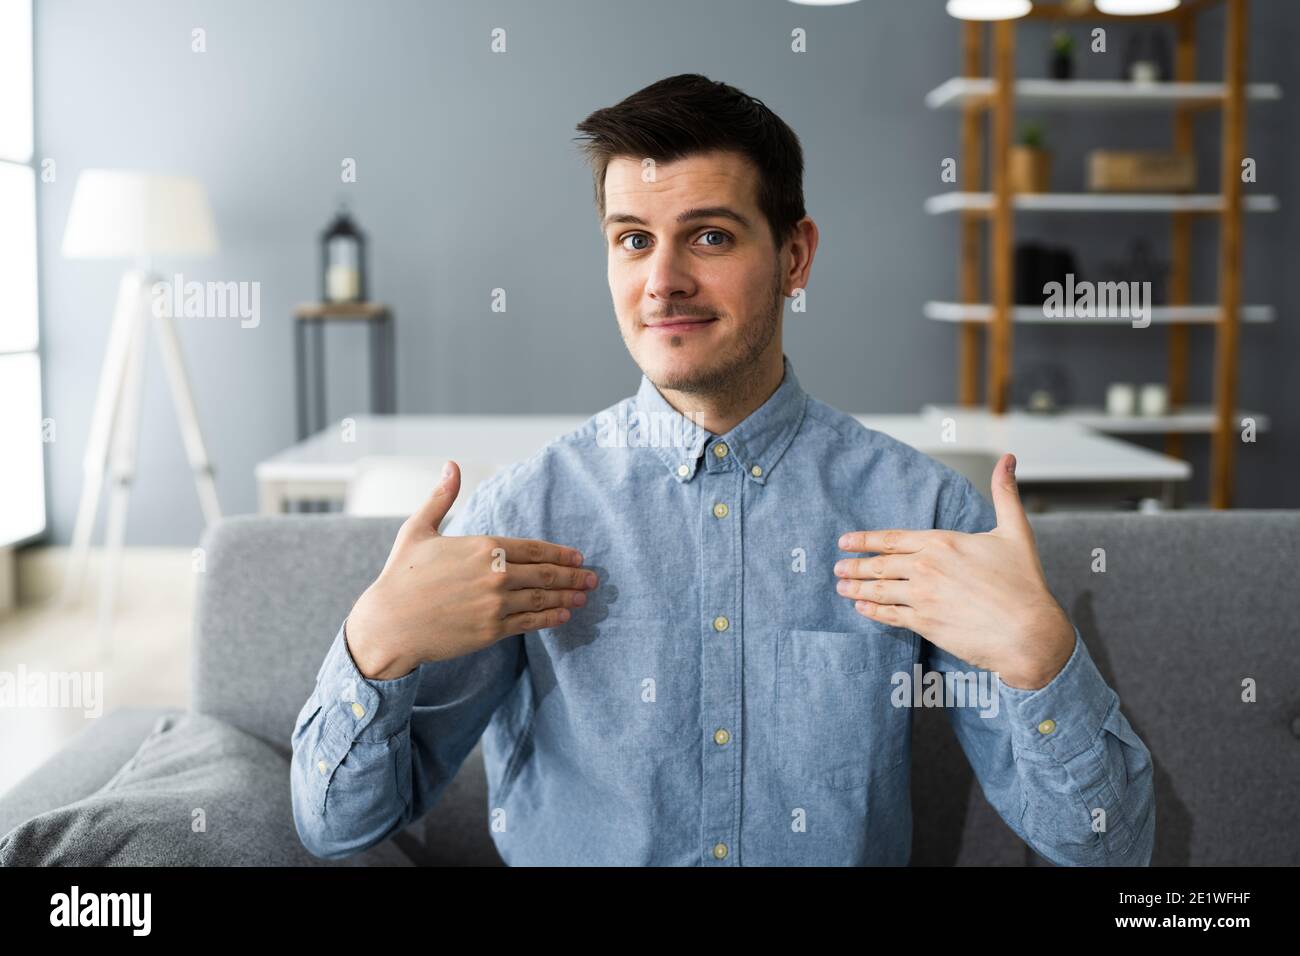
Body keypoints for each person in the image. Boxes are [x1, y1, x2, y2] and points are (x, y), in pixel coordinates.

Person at [290, 73, 1154, 866]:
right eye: (633, 239)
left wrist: (1043, 659)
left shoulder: (920, 510)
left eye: (708, 235)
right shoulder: (521, 516)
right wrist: (374, 645)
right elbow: (339, 828)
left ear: (795, 257)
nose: (663, 280)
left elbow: (1106, 849)